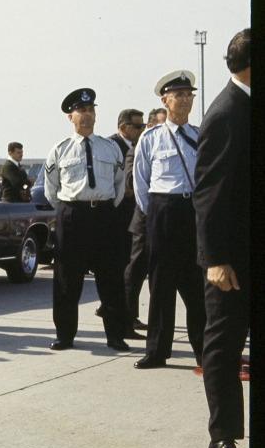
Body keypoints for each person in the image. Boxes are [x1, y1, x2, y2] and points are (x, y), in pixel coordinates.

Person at [193, 29, 250, 448]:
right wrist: (213, 259)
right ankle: (222, 438)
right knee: (224, 346)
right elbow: (208, 192)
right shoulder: (226, 113)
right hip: (231, 261)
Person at [42, 88, 129, 352]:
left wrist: (101, 207)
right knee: (67, 279)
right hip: (72, 217)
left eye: (91, 110)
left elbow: (118, 184)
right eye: (82, 111)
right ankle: (65, 336)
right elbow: (51, 190)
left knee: (111, 278)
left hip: (104, 215)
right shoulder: (60, 150)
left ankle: (115, 336)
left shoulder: (110, 147)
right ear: (71, 117)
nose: (88, 115)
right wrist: (73, 209)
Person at [131, 71, 206, 371]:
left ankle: (203, 351)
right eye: (179, 95)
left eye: (190, 95)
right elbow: (140, 182)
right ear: (165, 100)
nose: (186, 100)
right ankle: (157, 352)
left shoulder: (201, 136)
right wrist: (156, 216)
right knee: (161, 286)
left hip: (194, 212)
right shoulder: (151, 138)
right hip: (163, 212)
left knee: (196, 287)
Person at [105, 108, 146, 336]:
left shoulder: (137, 146)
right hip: (118, 217)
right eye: (137, 126)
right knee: (124, 268)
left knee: (132, 269)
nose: (141, 130)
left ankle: (130, 315)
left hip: (133, 216)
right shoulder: (111, 146)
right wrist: (123, 190)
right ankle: (121, 316)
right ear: (123, 127)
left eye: (143, 126)